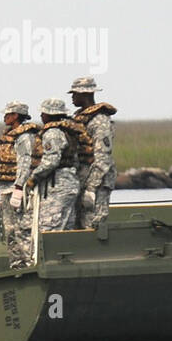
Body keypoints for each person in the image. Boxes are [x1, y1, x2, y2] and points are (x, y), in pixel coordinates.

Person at [28, 98, 91, 233]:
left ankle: (52, 254)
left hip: (58, 187)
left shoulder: (53, 133)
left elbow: (51, 161)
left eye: (44, 113)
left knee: (49, 228)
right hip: (70, 182)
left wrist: (33, 178)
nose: (41, 116)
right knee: (66, 227)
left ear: (51, 114)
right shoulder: (69, 131)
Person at [0, 101, 41, 269]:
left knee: (22, 230)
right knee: (10, 231)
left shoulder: (24, 136)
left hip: (18, 189)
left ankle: (30, 265)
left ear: (16, 116)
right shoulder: (9, 134)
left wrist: (19, 187)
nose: (5, 117)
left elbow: (24, 162)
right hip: (5, 188)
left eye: (8, 114)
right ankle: (16, 266)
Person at [70, 76, 117, 228]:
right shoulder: (79, 118)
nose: (72, 97)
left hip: (97, 182)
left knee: (92, 224)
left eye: (75, 94)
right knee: (77, 225)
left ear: (85, 94)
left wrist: (92, 187)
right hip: (81, 178)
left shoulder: (99, 120)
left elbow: (103, 158)